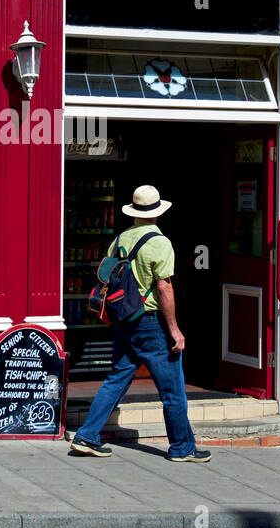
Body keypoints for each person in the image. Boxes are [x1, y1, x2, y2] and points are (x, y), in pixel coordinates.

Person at [69, 185, 210, 463]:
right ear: (157, 212)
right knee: (172, 389)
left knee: (116, 379)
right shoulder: (160, 242)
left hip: (125, 319)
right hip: (150, 321)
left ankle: (87, 435)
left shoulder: (119, 239)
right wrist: (174, 329)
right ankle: (182, 447)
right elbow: (164, 287)